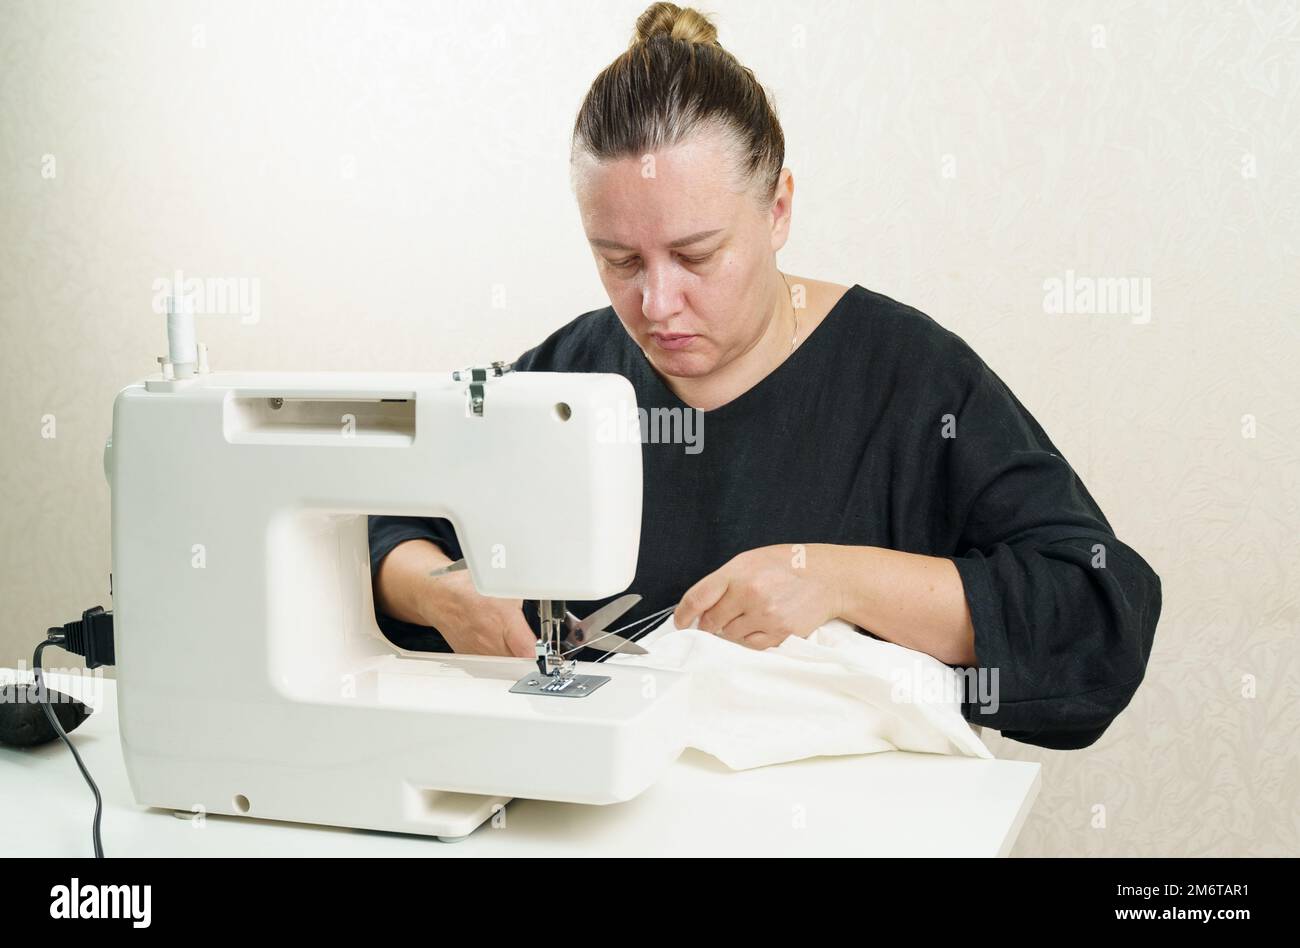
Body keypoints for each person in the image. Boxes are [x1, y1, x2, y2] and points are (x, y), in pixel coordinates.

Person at [369, 2, 1161, 750]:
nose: (655, 303)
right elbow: (383, 525)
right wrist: (442, 590)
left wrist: (838, 581)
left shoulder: (911, 382)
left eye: (696, 255)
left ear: (778, 208)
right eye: (618, 261)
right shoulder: (571, 374)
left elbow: (1099, 615)